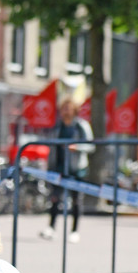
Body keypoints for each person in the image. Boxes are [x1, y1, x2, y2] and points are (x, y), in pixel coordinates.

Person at [39, 97, 92, 243]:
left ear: (74, 110)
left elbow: (91, 145)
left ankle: (74, 231)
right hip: (59, 167)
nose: (65, 111)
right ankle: (51, 227)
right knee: (55, 198)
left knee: (76, 200)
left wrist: (77, 147)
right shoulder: (57, 126)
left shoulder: (81, 126)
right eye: (63, 108)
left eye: (68, 108)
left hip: (76, 168)